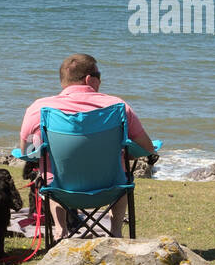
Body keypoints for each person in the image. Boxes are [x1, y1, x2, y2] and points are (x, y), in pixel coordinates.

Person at [19, 53, 155, 239]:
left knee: (52, 172)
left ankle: (61, 230)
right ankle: (115, 232)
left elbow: (27, 152)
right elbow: (147, 147)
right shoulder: (118, 107)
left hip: (61, 190)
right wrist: (127, 154)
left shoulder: (39, 108)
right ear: (90, 79)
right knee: (124, 174)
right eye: (99, 76)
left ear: (63, 81)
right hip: (111, 188)